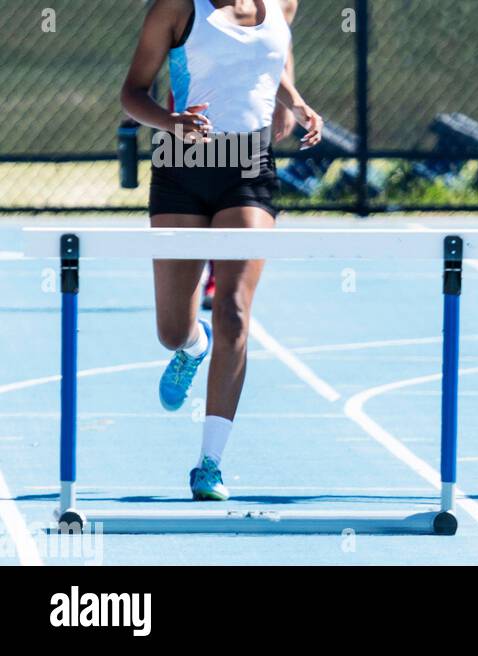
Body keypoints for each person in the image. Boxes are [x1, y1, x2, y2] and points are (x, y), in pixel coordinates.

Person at [120, 0, 322, 501]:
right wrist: (170, 123)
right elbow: (132, 93)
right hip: (180, 165)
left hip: (249, 168)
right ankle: (192, 345)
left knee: (233, 309)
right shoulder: (177, 8)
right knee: (171, 330)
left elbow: (269, 58)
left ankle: (210, 462)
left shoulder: (282, 5)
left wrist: (292, 100)